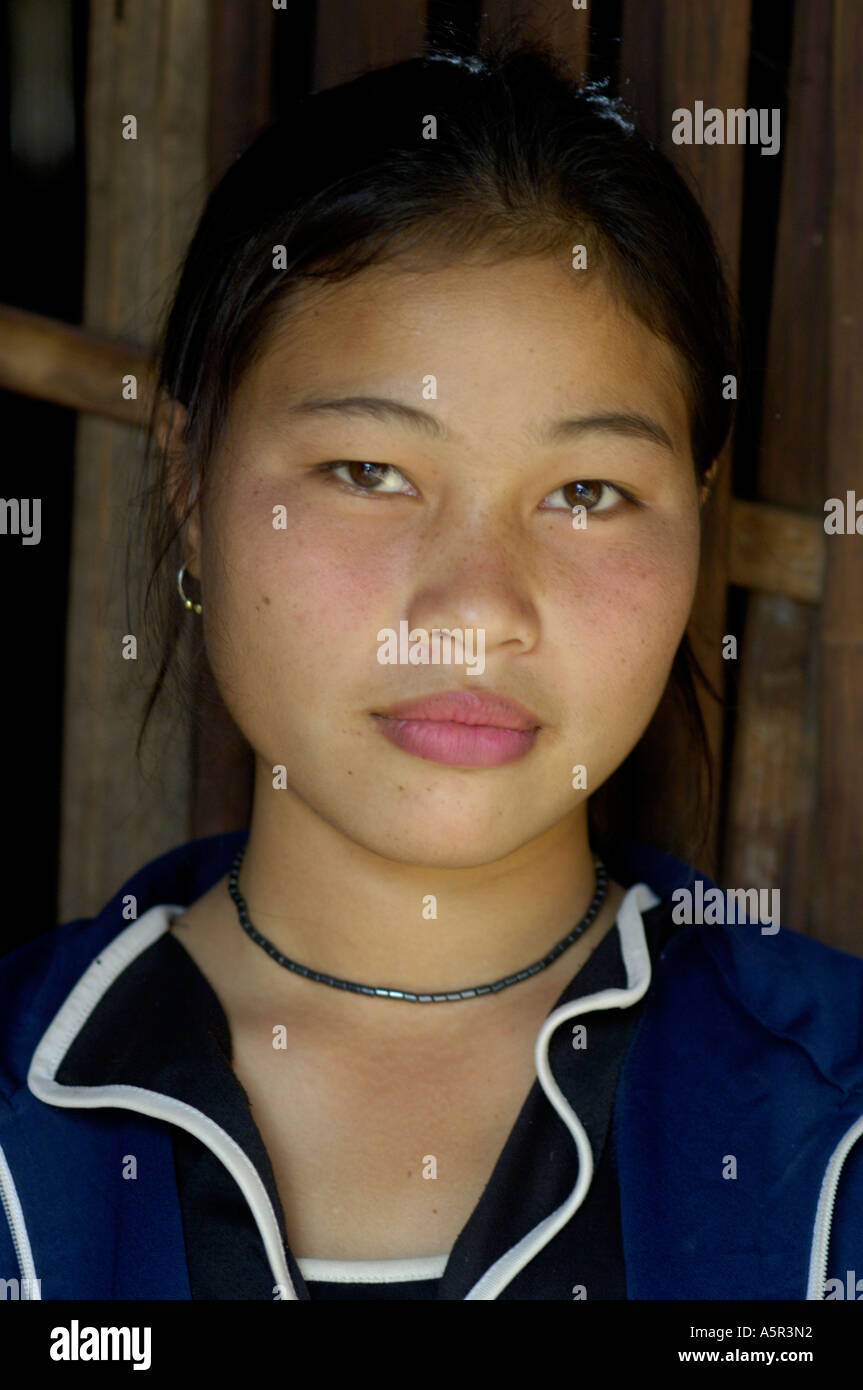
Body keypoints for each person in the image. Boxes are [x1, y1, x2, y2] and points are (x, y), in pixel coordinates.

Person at [2, 39, 862, 1304]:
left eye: (586, 492)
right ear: (188, 481)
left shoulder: (829, 1130)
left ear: (697, 521)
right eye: (367, 472)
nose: (474, 612)